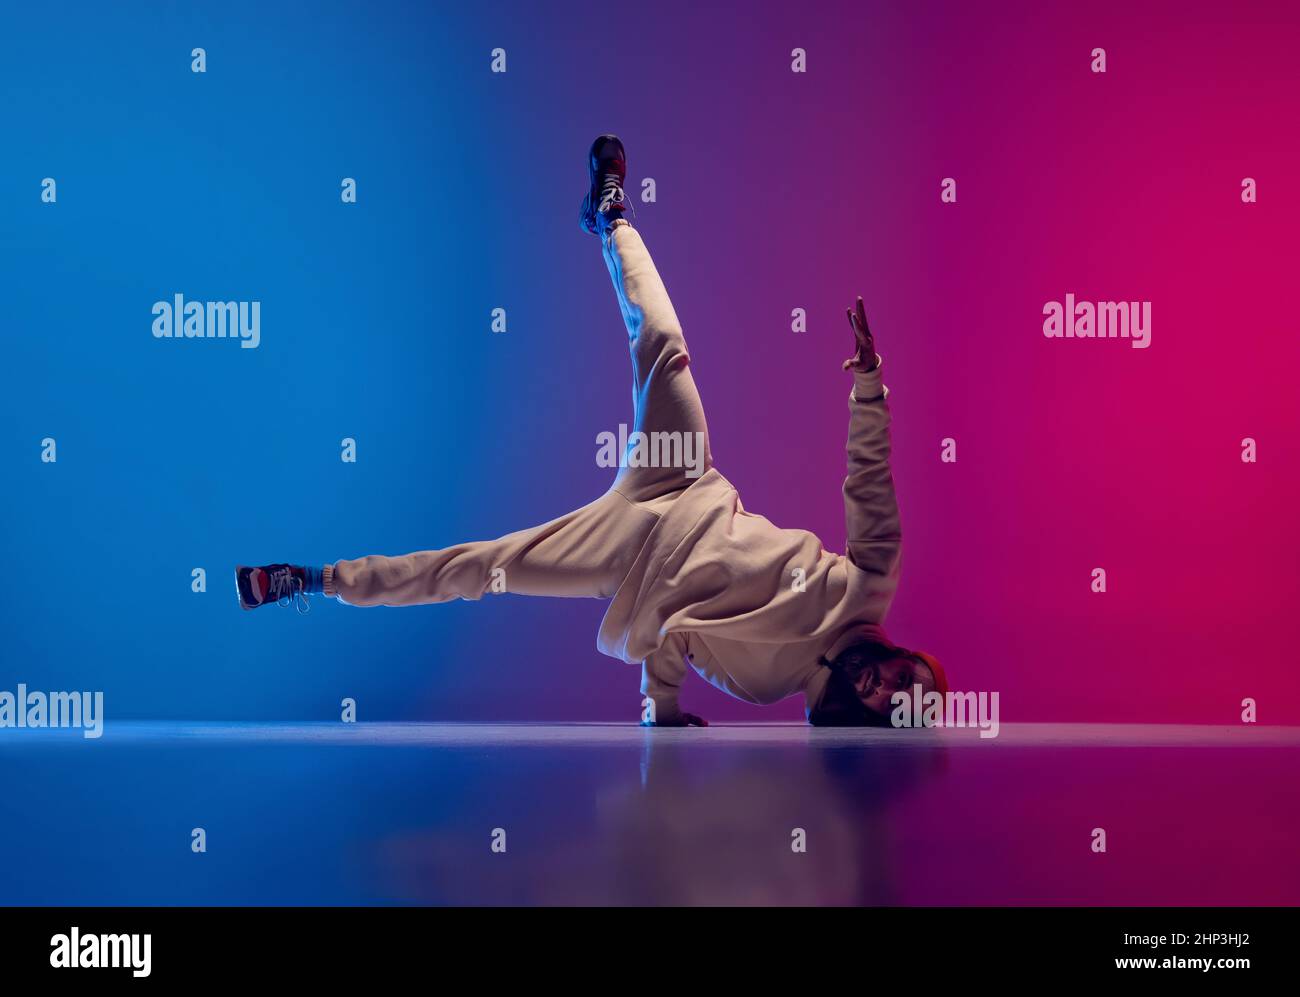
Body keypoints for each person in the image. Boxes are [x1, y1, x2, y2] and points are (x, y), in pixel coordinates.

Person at [236, 135, 947, 727]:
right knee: (664, 341)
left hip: (625, 557)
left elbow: (676, 639)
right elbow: (868, 479)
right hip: (683, 482)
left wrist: (660, 708)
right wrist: (868, 384)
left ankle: (313, 577)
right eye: (907, 684)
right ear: (910, 661)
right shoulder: (869, 584)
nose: (887, 692)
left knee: (481, 568)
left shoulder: (768, 685)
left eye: (891, 708)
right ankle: (612, 217)